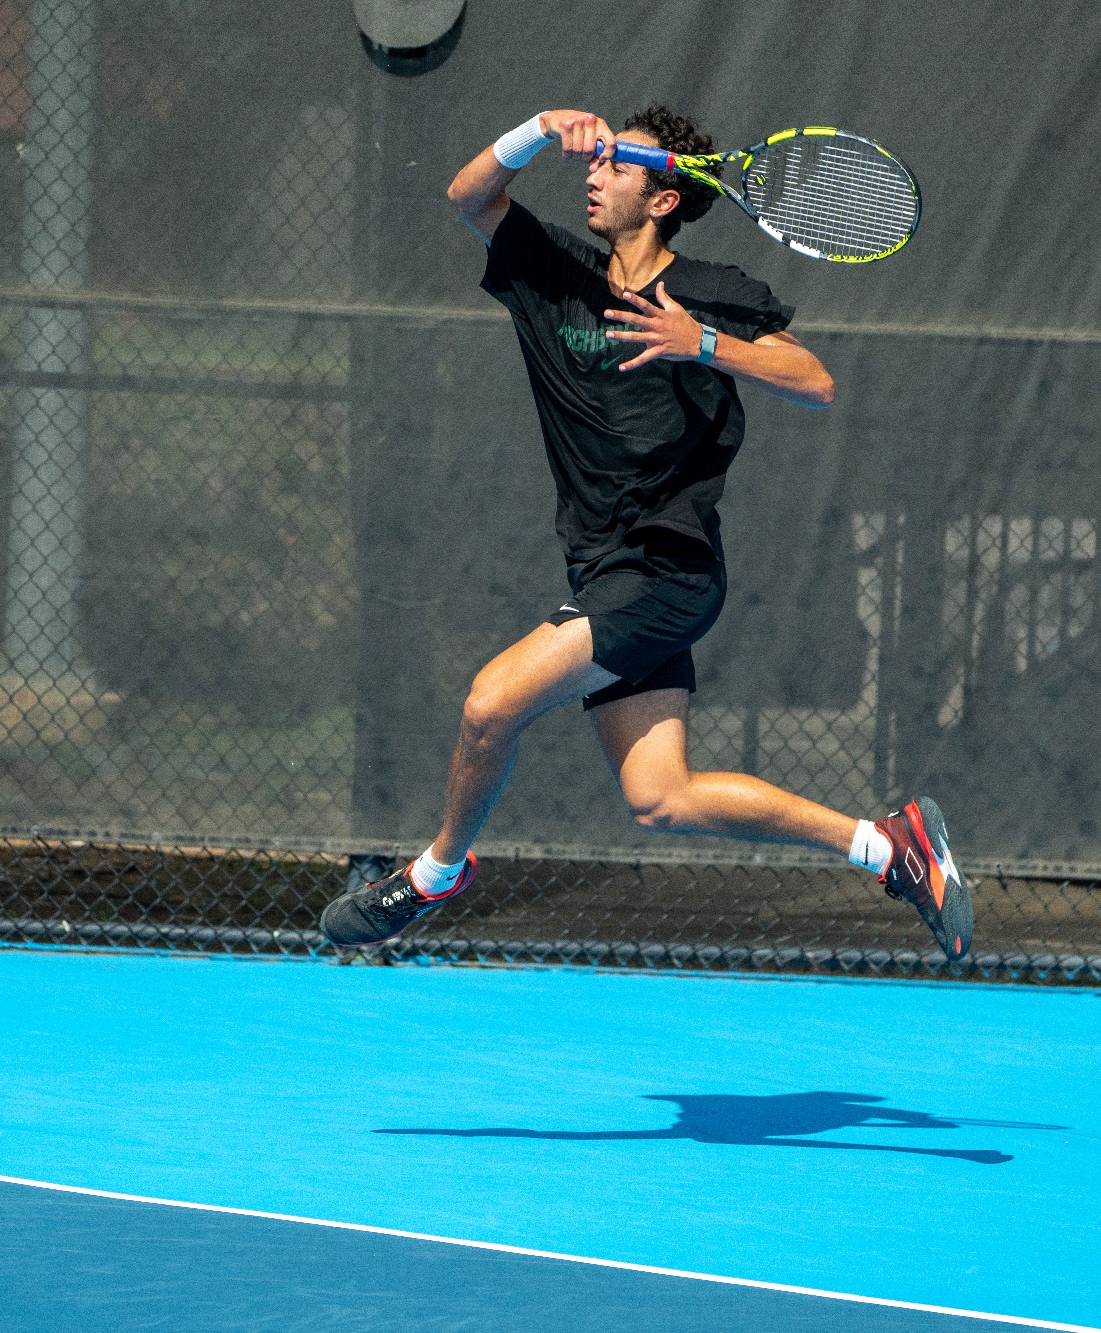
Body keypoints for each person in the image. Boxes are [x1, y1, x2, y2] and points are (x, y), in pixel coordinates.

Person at [319, 106, 973, 960]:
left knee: (488, 705)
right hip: (605, 569)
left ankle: (434, 875)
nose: (593, 175)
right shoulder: (553, 269)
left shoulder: (710, 291)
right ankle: (890, 845)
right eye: (598, 163)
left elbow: (814, 380)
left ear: (663, 198)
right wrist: (540, 128)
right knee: (661, 795)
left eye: (617, 167)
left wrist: (699, 341)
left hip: (667, 570)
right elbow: (468, 195)